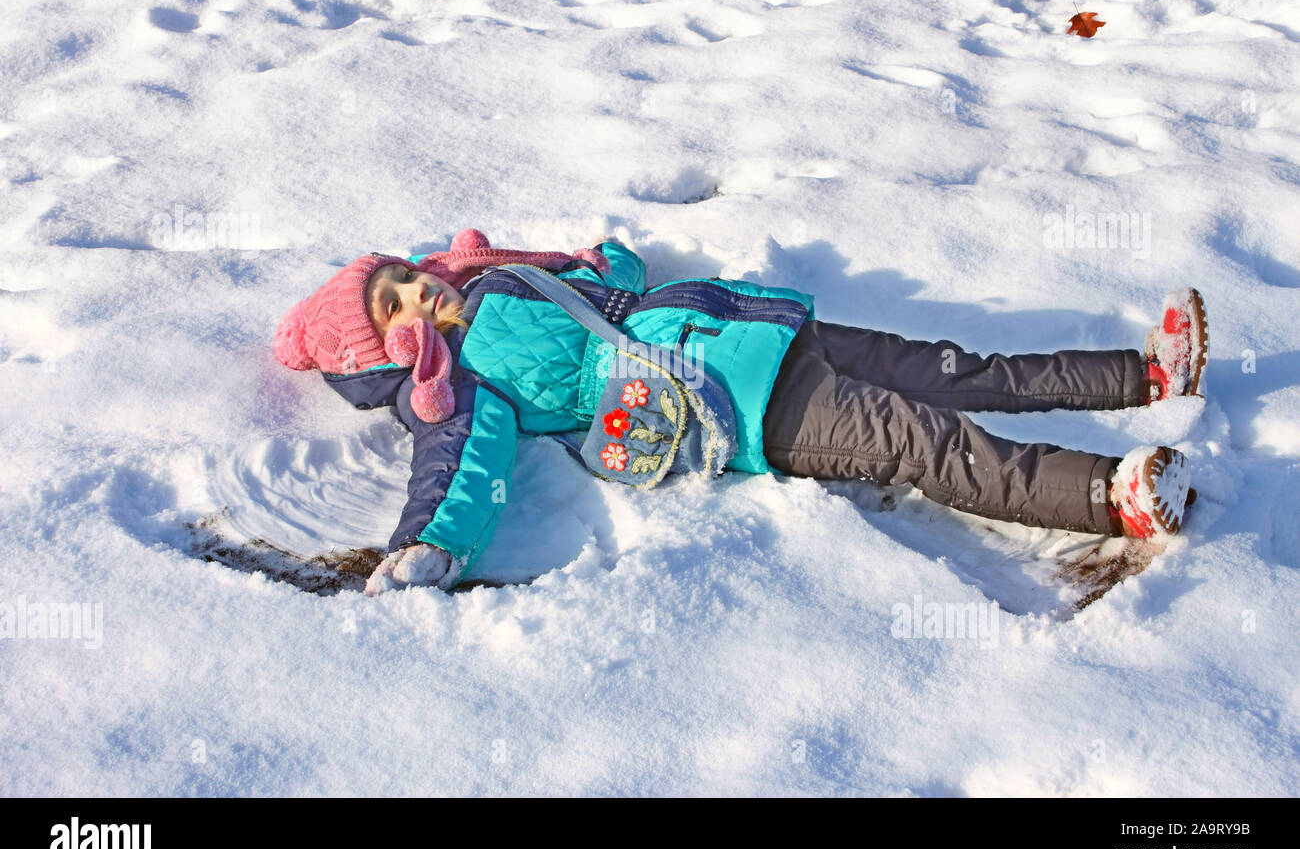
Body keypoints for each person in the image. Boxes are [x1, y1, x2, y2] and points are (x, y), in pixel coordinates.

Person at [272, 228, 1206, 595]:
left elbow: (612, 290)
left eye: (402, 279)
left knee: (958, 369)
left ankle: (1142, 375)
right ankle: (1108, 497)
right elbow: (459, 465)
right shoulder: (456, 386)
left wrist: (606, 262)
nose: (412, 297)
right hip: (737, 408)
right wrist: (431, 542)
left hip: (764, 334)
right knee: (927, 442)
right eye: (390, 308)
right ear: (380, 352)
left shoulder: (505, 278)